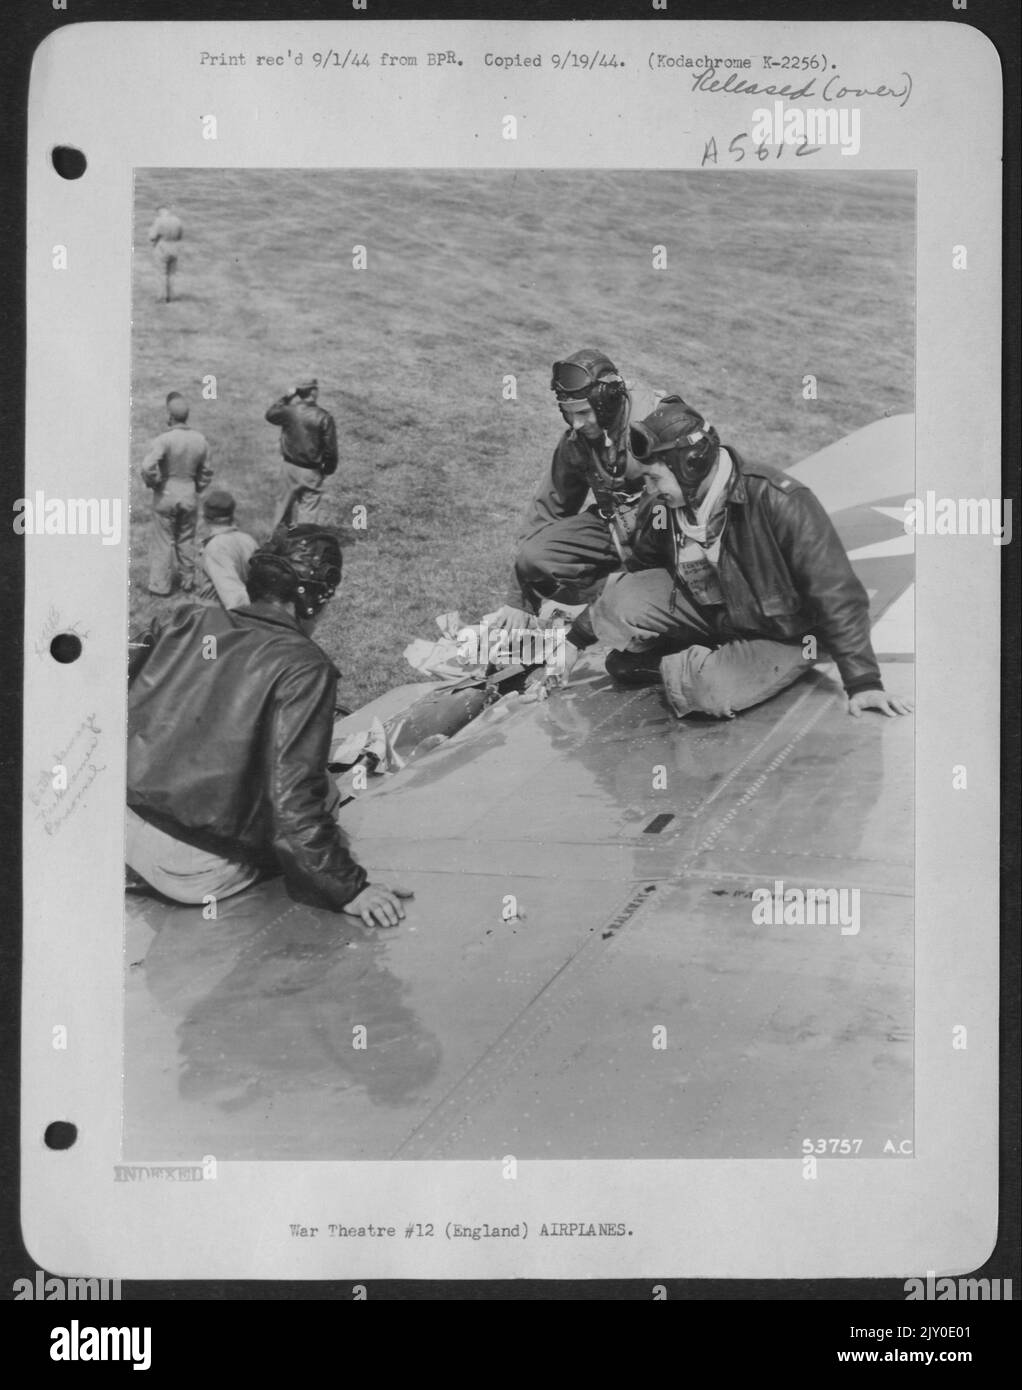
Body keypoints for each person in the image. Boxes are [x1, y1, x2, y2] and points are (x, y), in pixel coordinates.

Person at [548, 396, 914, 720]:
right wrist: (574, 641)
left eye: (655, 479)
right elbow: (640, 570)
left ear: (690, 465)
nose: (649, 489)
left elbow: (836, 591)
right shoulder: (666, 504)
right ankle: (684, 662)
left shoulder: (779, 500)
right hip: (718, 609)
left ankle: (677, 669)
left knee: (707, 692)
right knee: (622, 598)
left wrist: (864, 681)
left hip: (786, 632)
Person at [127, 525, 407, 928]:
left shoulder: (184, 618)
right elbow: (294, 802)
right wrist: (349, 887)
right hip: (189, 870)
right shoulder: (304, 666)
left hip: (119, 829)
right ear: (314, 600)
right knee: (324, 790)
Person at [485, 348, 669, 634]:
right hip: (619, 528)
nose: (577, 423)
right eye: (569, 414)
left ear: (607, 402)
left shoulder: (660, 423)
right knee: (535, 556)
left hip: (671, 538)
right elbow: (549, 507)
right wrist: (519, 597)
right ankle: (601, 604)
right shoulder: (579, 438)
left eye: (583, 412)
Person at [140, 393, 213, 596]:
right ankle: (188, 581)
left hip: (166, 494)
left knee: (163, 540)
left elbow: (147, 466)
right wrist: (196, 487)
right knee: (186, 538)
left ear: (170, 416)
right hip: (188, 493)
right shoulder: (201, 440)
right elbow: (207, 471)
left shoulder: (164, 440)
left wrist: (154, 482)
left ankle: (160, 586)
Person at [265, 377, 339, 529]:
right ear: (313, 392)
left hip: (288, 468)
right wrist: (327, 470)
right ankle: (303, 547)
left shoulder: (289, 411)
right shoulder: (324, 417)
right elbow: (330, 449)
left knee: (282, 510)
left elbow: (270, 415)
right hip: (311, 471)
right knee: (308, 514)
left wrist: (286, 397)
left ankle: (277, 546)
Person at [195, 490, 258, 610]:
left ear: (205, 518)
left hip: (219, 617)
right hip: (250, 607)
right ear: (232, 516)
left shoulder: (216, 548)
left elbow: (234, 597)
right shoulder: (248, 539)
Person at [147, 205, 184, 303]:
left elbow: (152, 237)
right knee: (172, 273)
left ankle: (162, 297)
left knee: (161, 273)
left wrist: (151, 231)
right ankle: (172, 296)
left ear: (161, 211)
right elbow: (180, 235)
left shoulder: (159, 221)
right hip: (175, 248)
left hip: (162, 248)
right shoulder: (177, 220)